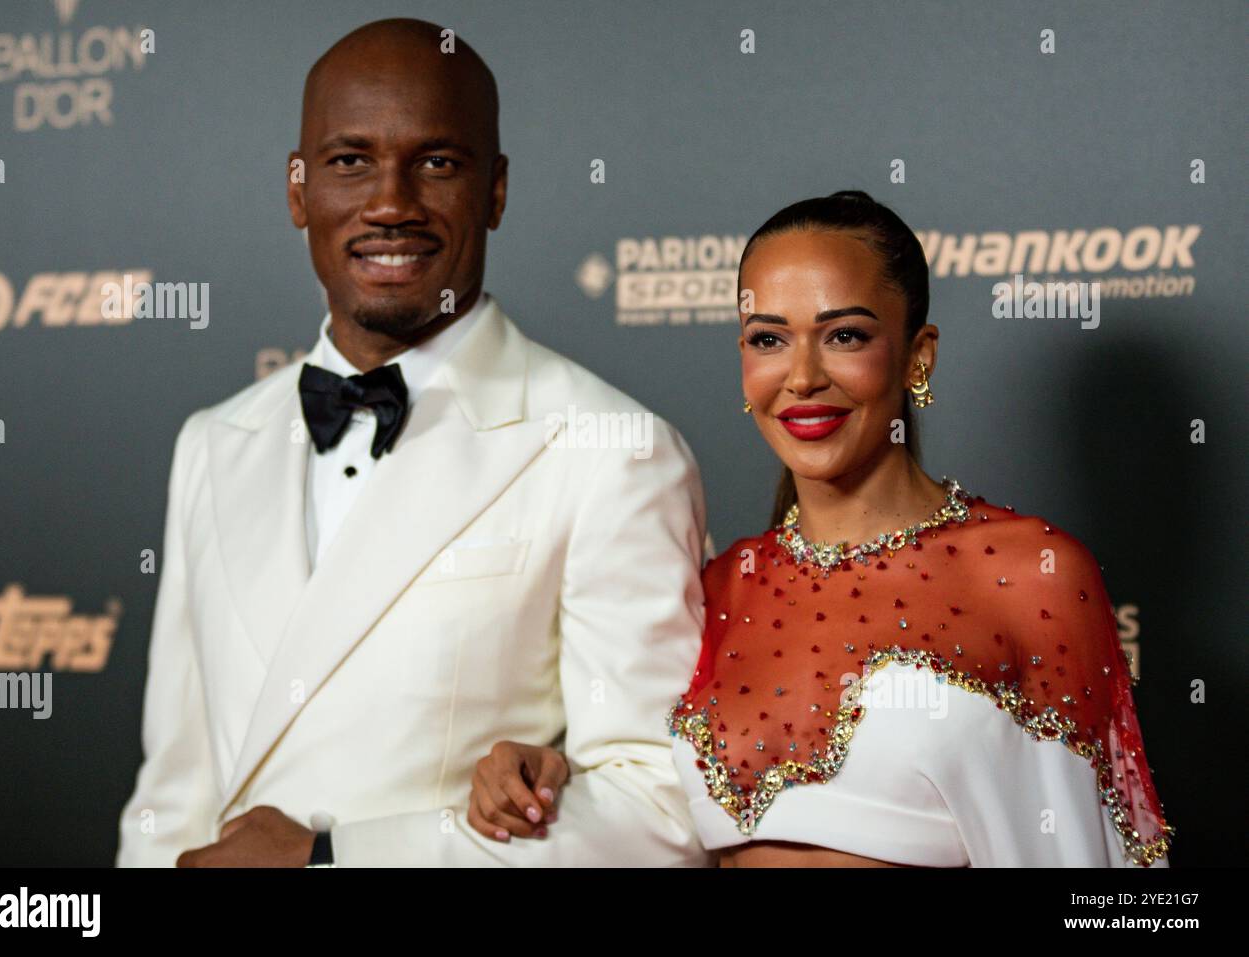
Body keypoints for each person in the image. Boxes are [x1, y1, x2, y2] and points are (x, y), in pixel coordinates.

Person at [115, 18, 710, 867]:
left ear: (495, 191)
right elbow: (171, 799)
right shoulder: (213, 443)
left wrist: (330, 858)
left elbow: (658, 812)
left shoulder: (612, 450)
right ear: (297, 190)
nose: (391, 204)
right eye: (349, 161)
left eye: (436, 163)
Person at [467, 191, 1174, 867]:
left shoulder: (1031, 573)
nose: (802, 376)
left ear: (918, 355)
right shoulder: (718, 587)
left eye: (845, 335)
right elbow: (651, 804)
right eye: (769, 339)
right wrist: (553, 773)